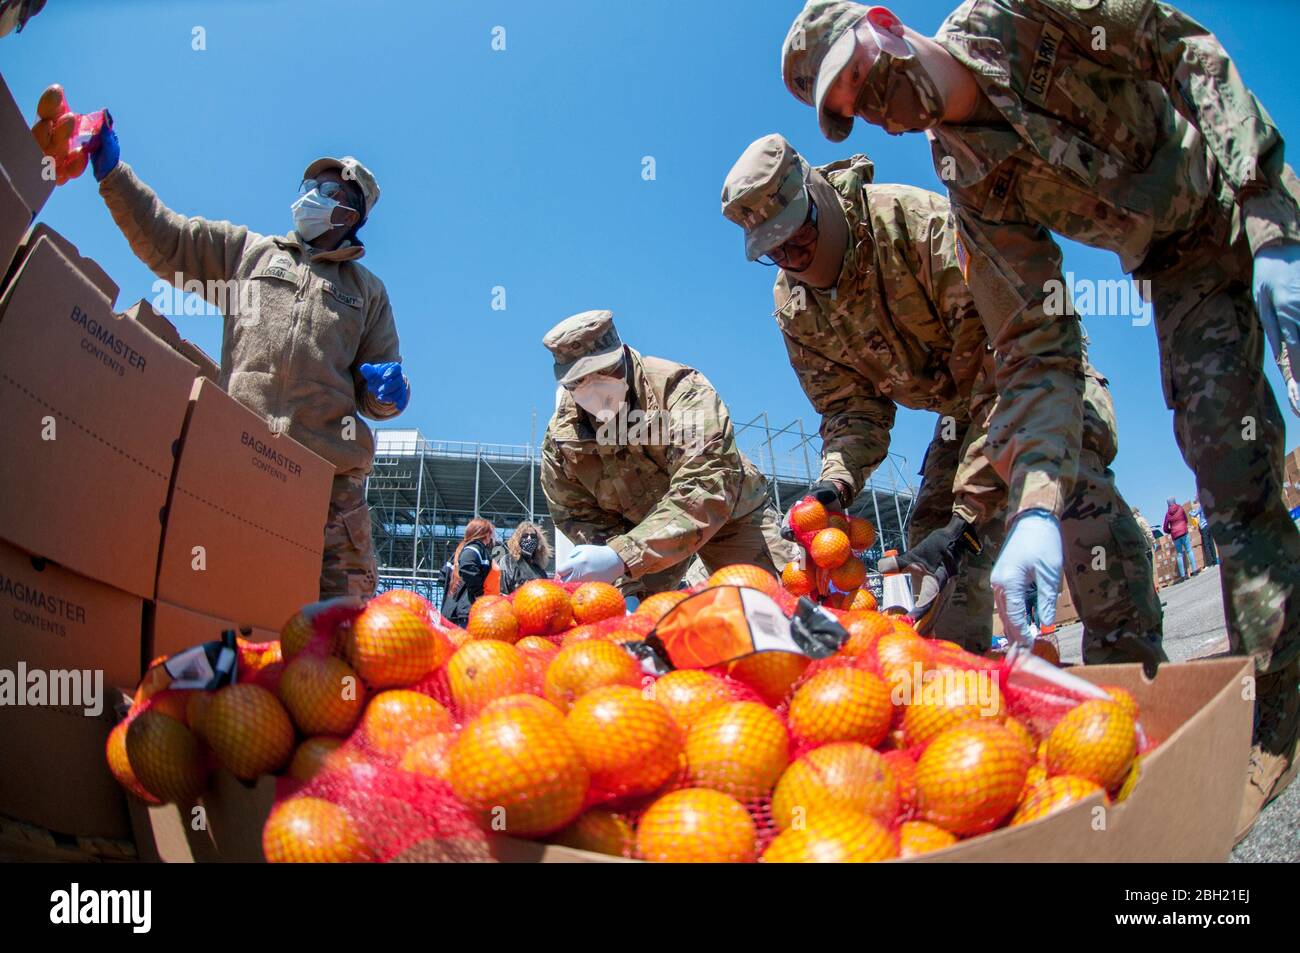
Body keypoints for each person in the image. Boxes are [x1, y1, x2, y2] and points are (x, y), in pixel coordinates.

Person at [780, 0, 1300, 841]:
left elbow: (1179, 46)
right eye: (853, 109)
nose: (875, 104)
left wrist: (1271, 215)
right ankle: (1271, 717)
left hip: (1235, 190)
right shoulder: (969, 178)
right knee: (1229, 475)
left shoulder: (1017, 14)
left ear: (883, 22)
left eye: (861, 75)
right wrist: (1028, 509)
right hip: (1177, 264)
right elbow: (1032, 340)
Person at [721, 133, 1163, 667]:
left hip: (1029, 375)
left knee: (1064, 476)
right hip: (960, 413)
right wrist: (836, 481)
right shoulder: (796, 305)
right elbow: (849, 409)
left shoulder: (915, 225)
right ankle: (959, 688)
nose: (792, 258)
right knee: (931, 548)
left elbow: (999, 365)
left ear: (819, 196)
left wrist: (969, 518)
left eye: (798, 236)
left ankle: (1135, 669)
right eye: (774, 253)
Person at [86, 124, 409, 602]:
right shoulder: (248, 254)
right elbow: (166, 238)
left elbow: (376, 391)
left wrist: (387, 395)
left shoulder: (367, 293)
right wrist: (114, 175)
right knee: (214, 598)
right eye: (308, 189)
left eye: (327, 192)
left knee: (347, 616)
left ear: (351, 212)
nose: (309, 199)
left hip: (329, 485)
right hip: (239, 458)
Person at [540, 310, 796, 596]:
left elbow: (707, 483)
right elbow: (577, 514)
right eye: (580, 380)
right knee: (631, 626)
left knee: (769, 604)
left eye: (604, 371)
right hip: (637, 531)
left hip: (731, 514)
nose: (595, 385)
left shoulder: (678, 388)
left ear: (622, 353)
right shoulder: (564, 439)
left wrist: (623, 555)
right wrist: (621, 573)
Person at [440, 518, 496, 627]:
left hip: (451, 612)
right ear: (486, 534)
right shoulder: (475, 548)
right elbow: (467, 566)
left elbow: (442, 577)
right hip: (465, 614)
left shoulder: (459, 551)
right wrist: (479, 594)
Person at [498, 521, 551, 594]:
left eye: (533, 536)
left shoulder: (538, 568)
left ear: (538, 541)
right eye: (525, 536)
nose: (529, 539)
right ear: (518, 539)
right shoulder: (509, 561)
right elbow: (503, 589)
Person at [1163, 497, 1198, 580]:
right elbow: (1186, 519)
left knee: (1179, 554)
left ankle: (1183, 576)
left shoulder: (1168, 514)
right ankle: (1195, 570)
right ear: (1174, 501)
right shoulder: (1180, 508)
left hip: (1175, 535)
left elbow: (1165, 527)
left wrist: (1171, 531)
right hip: (1184, 532)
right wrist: (1183, 526)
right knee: (1189, 550)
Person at [1189, 497, 1219, 567]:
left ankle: (1210, 562)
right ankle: (1214, 560)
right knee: (1211, 543)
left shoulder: (1201, 506)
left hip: (1203, 527)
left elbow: (1194, 514)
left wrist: (1190, 512)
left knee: (1206, 544)